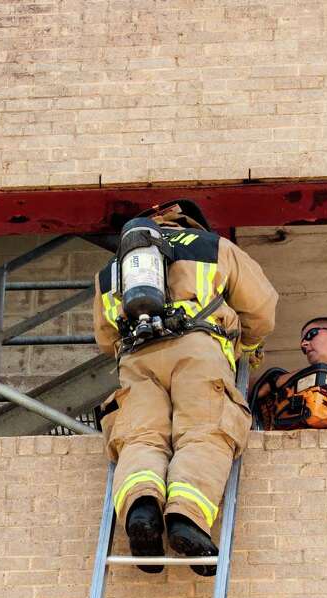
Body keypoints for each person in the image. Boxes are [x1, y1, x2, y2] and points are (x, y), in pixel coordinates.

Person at [93, 201, 278, 576]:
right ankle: (186, 519)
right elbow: (262, 309)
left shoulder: (112, 271)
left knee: (140, 438)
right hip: (198, 349)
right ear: (192, 222)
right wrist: (242, 346)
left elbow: (104, 337)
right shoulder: (212, 246)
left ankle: (141, 509)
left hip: (135, 358)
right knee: (205, 432)